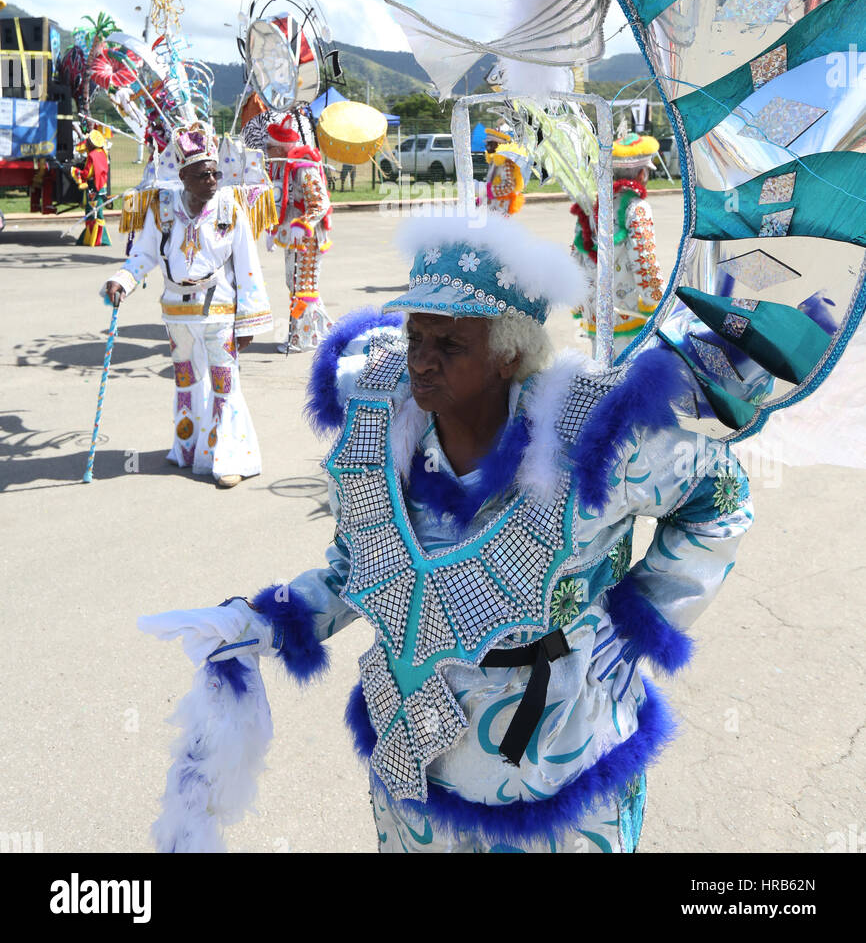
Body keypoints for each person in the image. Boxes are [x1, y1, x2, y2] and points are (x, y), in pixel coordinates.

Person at [143, 211, 752, 853]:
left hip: (558, 759)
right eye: (415, 339)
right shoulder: (384, 432)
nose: (422, 365)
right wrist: (264, 622)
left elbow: (722, 495)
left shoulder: (592, 440)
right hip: (413, 752)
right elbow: (362, 571)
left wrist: (644, 614)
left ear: (508, 355)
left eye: (450, 346)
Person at [103, 120, 272, 488]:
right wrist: (122, 280)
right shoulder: (162, 209)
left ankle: (229, 457)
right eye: (202, 175)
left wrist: (249, 323)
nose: (212, 181)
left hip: (219, 312)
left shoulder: (230, 208)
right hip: (176, 315)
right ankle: (189, 448)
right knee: (185, 382)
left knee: (225, 385)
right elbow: (143, 255)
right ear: (183, 177)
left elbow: (247, 267)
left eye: (215, 173)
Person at [571, 131, 664, 358]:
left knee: (603, 371)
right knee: (626, 376)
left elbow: (575, 256)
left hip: (596, 313)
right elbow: (645, 261)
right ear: (642, 174)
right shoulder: (636, 207)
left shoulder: (592, 207)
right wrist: (656, 301)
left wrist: (579, 304)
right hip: (628, 314)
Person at [267, 115, 333, 353]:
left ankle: (302, 339)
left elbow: (320, 203)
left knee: (302, 286)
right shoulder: (282, 168)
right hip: (294, 238)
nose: (266, 152)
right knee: (296, 284)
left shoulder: (303, 167)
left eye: (269, 147)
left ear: (280, 147)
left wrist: (301, 224)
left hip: (308, 238)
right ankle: (324, 330)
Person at [71, 126, 111, 246]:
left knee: (93, 211)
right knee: (95, 211)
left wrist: (75, 171)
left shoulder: (92, 156)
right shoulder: (102, 152)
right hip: (101, 187)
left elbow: (87, 173)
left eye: (88, 142)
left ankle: (97, 239)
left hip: (94, 187)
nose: (86, 144)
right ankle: (92, 238)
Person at [483, 126, 525, 216]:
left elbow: (510, 186)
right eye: (486, 143)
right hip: (493, 206)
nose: (487, 146)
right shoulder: (494, 160)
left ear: (499, 145)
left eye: (490, 143)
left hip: (502, 206)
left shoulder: (506, 163)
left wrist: (489, 190)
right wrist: (482, 198)